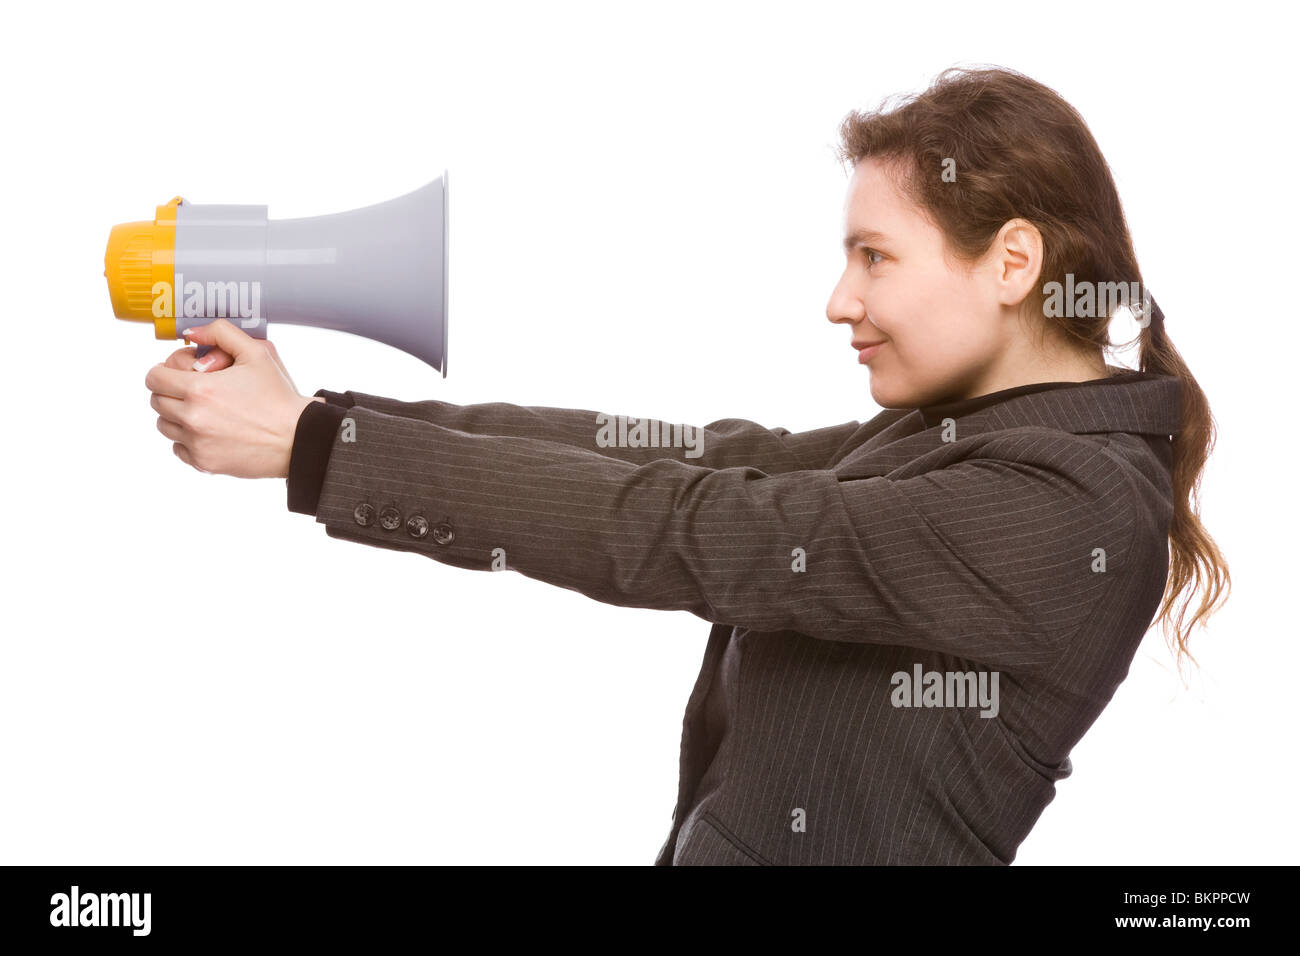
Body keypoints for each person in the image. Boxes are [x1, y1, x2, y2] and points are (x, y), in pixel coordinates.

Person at [144, 65, 1230, 865]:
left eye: (874, 256)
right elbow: (694, 462)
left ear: (1011, 261)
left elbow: (699, 529)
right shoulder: (977, 437)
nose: (838, 299)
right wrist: (321, 421)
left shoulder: (1063, 505)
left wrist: (309, 448)